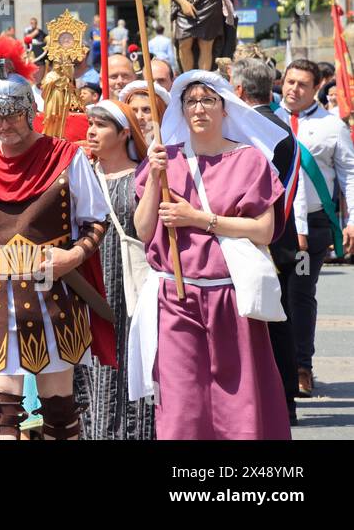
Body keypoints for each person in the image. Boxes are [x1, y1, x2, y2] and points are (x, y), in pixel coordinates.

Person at [0, 36, 112, 440]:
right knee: (1, 414)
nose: (3, 127)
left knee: (59, 413)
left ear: (30, 113)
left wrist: (71, 258)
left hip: (56, 293)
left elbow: (96, 222)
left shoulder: (65, 157)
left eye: (12, 116)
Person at [130, 70, 289, 439]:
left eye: (207, 101)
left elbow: (264, 230)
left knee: (238, 401)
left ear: (225, 107)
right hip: (175, 297)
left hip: (230, 296)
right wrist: (155, 177)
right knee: (182, 405)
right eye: (190, 102)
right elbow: (142, 229)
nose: (199, 108)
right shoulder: (165, 160)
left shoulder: (249, 160)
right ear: (181, 111)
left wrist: (199, 219)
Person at [73, 99, 155, 440]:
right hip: (87, 286)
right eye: (90, 124)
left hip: (131, 286)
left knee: (133, 363)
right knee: (92, 369)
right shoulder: (80, 175)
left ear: (123, 133)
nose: (91, 132)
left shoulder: (142, 175)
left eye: (101, 125)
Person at [233, 57, 306, 425]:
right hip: (283, 236)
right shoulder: (283, 127)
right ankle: (286, 400)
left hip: (260, 236)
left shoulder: (252, 129)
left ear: (240, 90)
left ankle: (272, 400)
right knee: (281, 319)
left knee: (264, 319)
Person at [281, 59, 352, 399]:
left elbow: (349, 175)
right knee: (272, 293)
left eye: (302, 85)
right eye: (289, 81)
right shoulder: (265, 120)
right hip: (273, 225)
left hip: (314, 226)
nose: (293, 89)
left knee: (301, 293)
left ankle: (301, 366)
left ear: (317, 88)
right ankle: (274, 367)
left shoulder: (332, 126)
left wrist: (352, 221)